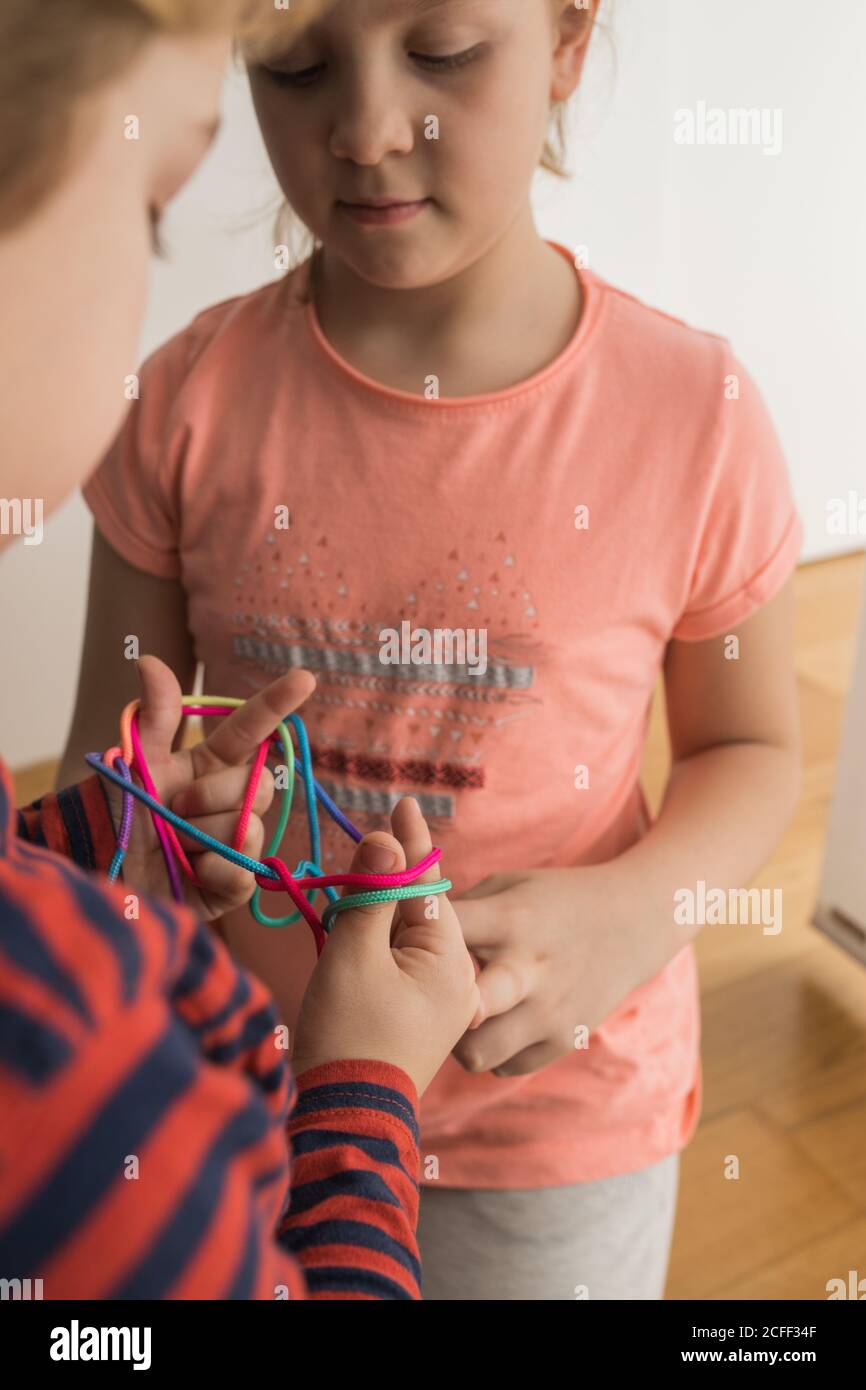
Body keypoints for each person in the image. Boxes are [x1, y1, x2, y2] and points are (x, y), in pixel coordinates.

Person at [63, 0, 803, 1299]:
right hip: (245, 1095)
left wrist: (640, 908)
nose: (360, 129)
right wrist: (174, 816)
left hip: (554, 1126)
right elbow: (110, 770)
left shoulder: (693, 414)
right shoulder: (184, 401)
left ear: (567, 42)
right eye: (292, 68)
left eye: (444, 50)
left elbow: (750, 749)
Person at [0, 0, 480, 1300]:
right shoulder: (68, 1068)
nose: (372, 131)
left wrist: (113, 828)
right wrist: (364, 1093)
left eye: (442, 51)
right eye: (150, 203)